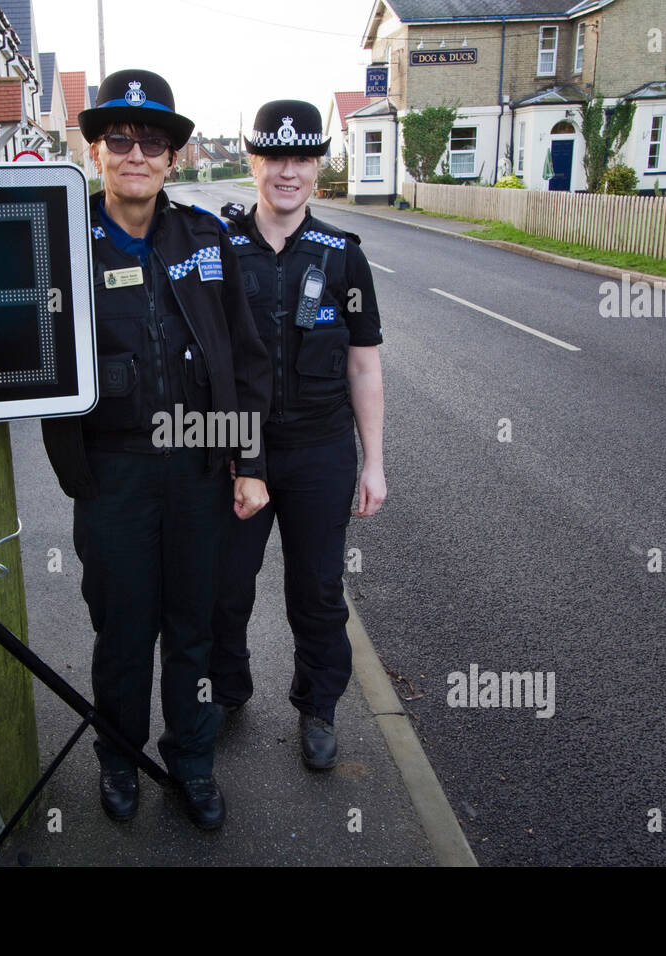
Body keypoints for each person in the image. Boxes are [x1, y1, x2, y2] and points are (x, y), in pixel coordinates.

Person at [40, 69, 271, 830]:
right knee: (123, 627)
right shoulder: (65, 245)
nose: (134, 153)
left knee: (194, 626)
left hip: (202, 464)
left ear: (173, 158)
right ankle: (117, 756)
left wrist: (250, 464)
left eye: (151, 142)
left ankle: (193, 761)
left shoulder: (206, 240)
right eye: (119, 140)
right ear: (97, 152)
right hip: (114, 471)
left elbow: (244, 356)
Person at [209, 99, 386, 770]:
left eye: (302, 159)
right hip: (238, 453)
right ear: (254, 162)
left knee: (316, 589)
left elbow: (363, 362)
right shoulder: (217, 249)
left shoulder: (343, 259)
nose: (288, 172)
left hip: (320, 452)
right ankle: (227, 691)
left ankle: (318, 706)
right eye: (275, 158)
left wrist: (374, 463)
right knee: (226, 583)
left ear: (318, 168)